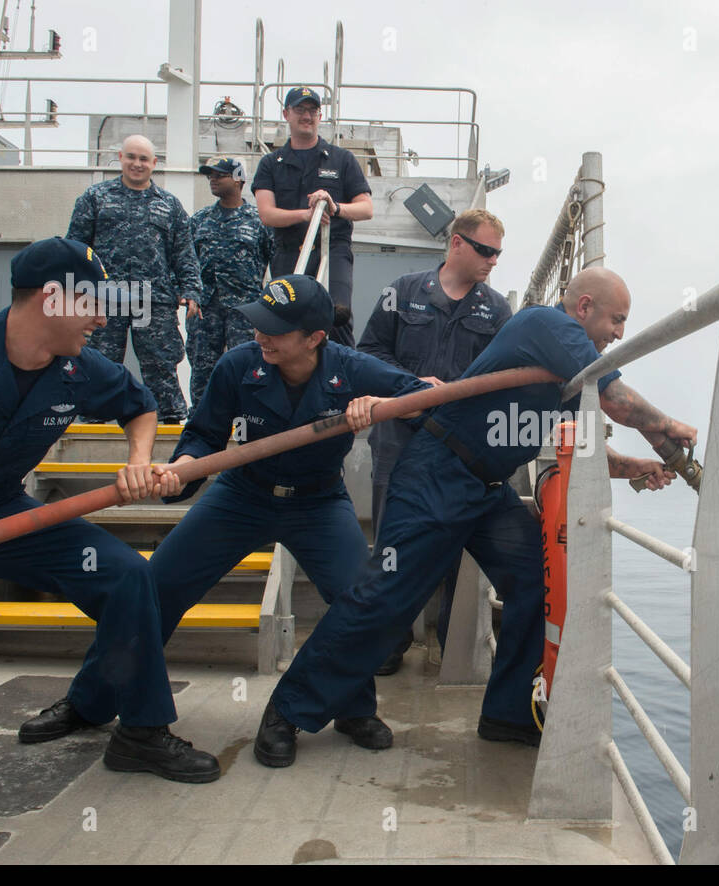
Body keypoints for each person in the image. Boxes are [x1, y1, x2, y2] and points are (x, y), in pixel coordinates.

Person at [253, 267, 695, 766]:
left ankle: (507, 715)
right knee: (385, 596)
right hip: (436, 476)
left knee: (534, 579)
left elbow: (576, 441)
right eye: (617, 320)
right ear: (585, 306)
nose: (619, 334)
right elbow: (618, 400)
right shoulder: (547, 326)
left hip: (486, 490)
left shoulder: (568, 375)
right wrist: (665, 426)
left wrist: (635, 465)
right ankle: (286, 712)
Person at [0, 237, 215, 783]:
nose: (102, 321)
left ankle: (138, 731)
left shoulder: (79, 369)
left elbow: (139, 406)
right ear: (52, 299)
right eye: (92, 305)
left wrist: (137, 461)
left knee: (127, 577)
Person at [149, 275, 429, 753]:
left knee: (358, 600)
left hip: (317, 502)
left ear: (315, 338)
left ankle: (353, 708)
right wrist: (183, 467)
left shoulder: (351, 368)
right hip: (242, 493)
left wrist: (383, 404)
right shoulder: (239, 365)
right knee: (156, 587)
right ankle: (94, 698)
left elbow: (424, 399)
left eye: (275, 331)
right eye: (259, 325)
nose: (261, 337)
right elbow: (202, 435)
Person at [358, 208, 512, 675]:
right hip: (398, 441)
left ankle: (449, 642)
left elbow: (502, 377)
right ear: (457, 243)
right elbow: (369, 353)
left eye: (498, 254)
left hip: (455, 449)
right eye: (485, 251)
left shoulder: (498, 309)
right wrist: (411, 384)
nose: (492, 261)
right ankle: (387, 643)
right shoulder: (403, 292)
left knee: (450, 545)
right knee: (391, 545)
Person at [66, 133, 203, 422]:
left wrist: (191, 289)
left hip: (153, 299)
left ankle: (169, 418)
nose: (137, 164)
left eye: (143, 159)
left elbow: (183, 253)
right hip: (106, 296)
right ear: (121, 158)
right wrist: (75, 291)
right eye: (131, 157)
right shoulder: (95, 198)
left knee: (160, 362)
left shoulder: (169, 204)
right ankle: (95, 418)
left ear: (154, 163)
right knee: (99, 361)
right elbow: (76, 247)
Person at [251, 86, 373, 347]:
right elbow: (267, 214)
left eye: (313, 111)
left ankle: (343, 381)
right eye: (300, 110)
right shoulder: (271, 164)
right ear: (286, 114)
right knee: (286, 321)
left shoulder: (342, 160)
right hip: (288, 252)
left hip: (333, 250)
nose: (307, 116)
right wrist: (306, 215)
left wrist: (334, 208)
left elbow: (366, 208)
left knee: (336, 315)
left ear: (320, 116)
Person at [187, 156, 274, 405]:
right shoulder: (199, 220)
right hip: (206, 308)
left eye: (219, 175)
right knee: (202, 368)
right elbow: (185, 261)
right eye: (210, 175)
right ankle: (202, 420)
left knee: (248, 365)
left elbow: (276, 262)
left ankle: (249, 416)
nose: (212, 180)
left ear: (238, 179)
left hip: (245, 308)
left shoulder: (259, 221)